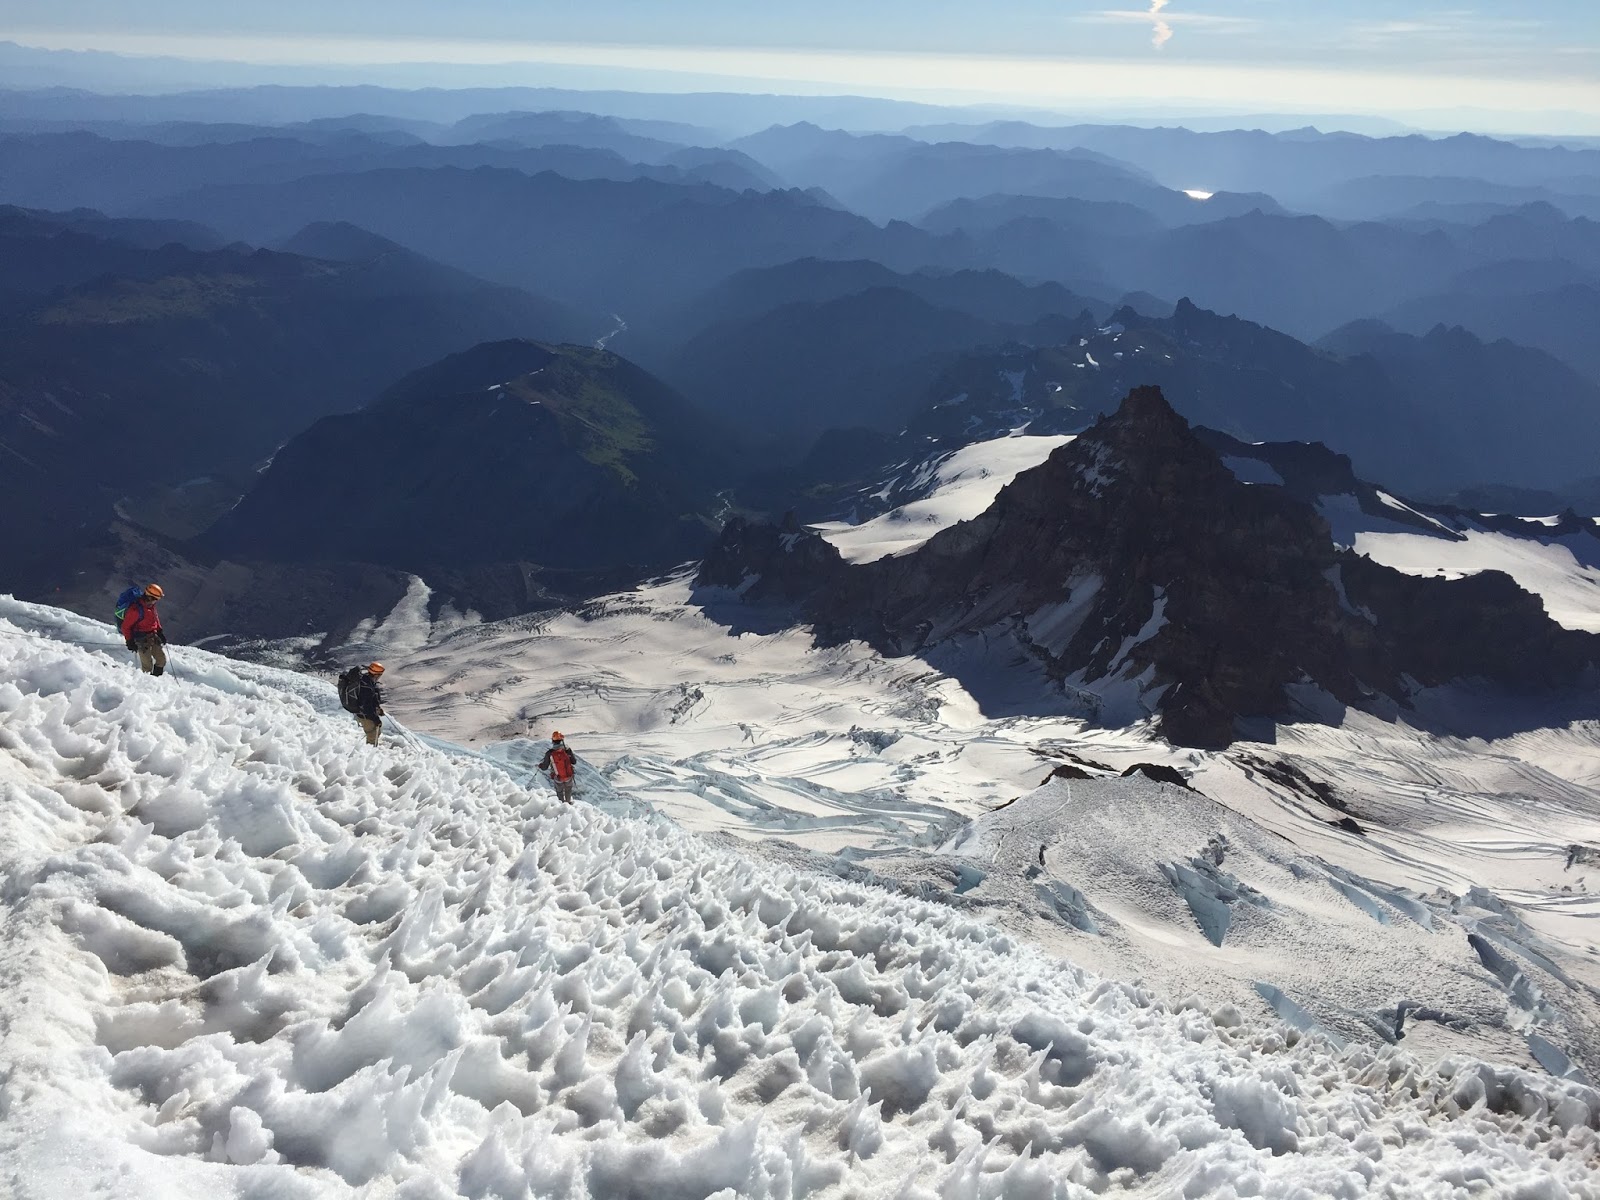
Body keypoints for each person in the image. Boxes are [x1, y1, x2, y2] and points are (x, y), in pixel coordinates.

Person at [120, 583, 167, 676]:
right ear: (151, 597)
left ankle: (157, 679)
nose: (156, 601)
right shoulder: (135, 610)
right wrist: (129, 641)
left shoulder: (150, 606)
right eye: (156, 599)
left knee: (161, 660)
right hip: (141, 640)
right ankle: (147, 684)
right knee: (147, 666)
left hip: (153, 635)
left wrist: (159, 631)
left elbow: (155, 618)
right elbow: (126, 627)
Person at [351, 662, 386, 745]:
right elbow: (367, 707)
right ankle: (367, 754)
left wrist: (378, 709)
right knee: (372, 737)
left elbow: (371, 700)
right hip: (365, 716)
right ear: (376, 674)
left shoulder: (366, 681)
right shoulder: (367, 687)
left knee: (376, 732)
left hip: (365, 714)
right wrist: (376, 719)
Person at [539, 731, 577, 804]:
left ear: (553, 741)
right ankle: (568, 802)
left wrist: (540, 765)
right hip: (568, 776)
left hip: (558, 777)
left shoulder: (550, 753)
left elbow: (544, 767)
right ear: (561, 740)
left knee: (559, 791)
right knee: (568, 789)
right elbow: (574, 762)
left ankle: (561, 804)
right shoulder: (567, 750)